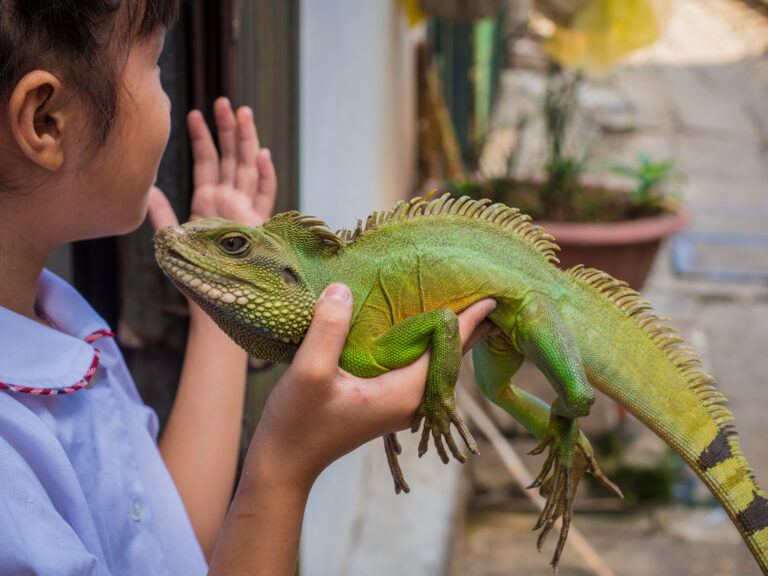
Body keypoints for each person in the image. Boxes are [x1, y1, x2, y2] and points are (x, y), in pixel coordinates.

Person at [0, 1, 497, 574]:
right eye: (157, 64)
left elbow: (172, 541)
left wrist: (226, 299)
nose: (167, 96)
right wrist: (284, 468)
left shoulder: (61, 316)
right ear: (46, 121)